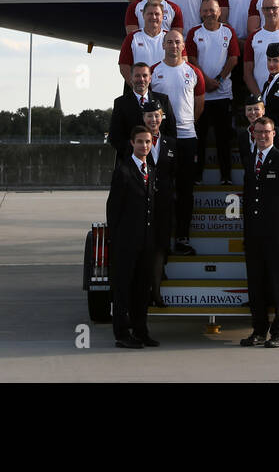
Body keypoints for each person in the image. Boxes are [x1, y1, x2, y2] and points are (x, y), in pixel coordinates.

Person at [240, 116, 279, 348]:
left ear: (274, 134)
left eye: (267, 132)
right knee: (255, 283)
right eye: (258, 132)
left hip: (276, 232)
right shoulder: (250, 159)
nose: (262, 136)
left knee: (278, 282)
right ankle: (258, 330)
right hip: (254, 232)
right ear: (253, 134)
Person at [150, 29, 206, 256]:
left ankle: (182, 237)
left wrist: (186, 124)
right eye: (169, 42)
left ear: (184, 47)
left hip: (187, 138)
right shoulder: (154, 72)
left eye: (177, 42)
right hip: (162, 140)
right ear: (163, 45)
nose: (173, 46)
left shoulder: (193, 72)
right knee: (161, 190)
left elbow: (199, 105)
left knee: (185, 191)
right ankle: (160, 239)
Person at [107, 125, 160, 348]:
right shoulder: (123, 170)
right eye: (140, 141)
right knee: (123, 289)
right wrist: (117, 239)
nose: (144, 145)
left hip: (146, 242)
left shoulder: (151, 169)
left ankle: (141, 330)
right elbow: (113, 208)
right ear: (132, 143)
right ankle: (122, 333)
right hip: (126, 242)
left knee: (142, 289)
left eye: (147, 142)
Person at [187, 0, 240, 185]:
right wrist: (206, 81)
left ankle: (226, 177)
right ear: (201, 13)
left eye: (212, 10)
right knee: (199, 137)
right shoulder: (194, 33)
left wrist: (218, 80)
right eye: (205, 11)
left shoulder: (228, 32)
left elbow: (233, 59)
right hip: (201, 95)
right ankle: (198, 176)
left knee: (223, 138)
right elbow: (191, 59)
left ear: (219, 12)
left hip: (223, 94)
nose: (209, 14)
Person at [141, 100, 177, 306]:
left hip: (162, 204)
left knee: (159, 248)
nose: (153, 120)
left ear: (162, 117)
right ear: (143, 119)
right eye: (149, 116)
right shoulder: (137, 141)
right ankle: (145, 292)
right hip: (141, 204)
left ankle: (155, 292)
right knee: (145, 248)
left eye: (157, 115)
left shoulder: (170, 143)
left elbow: (174, 173)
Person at [108, 62, 177, 158]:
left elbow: (171, 131)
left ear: (150, 78)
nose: (141, 79)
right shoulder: (120, 103)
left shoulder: (163, 100)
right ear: (131, 79)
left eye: (145, 76)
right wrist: (138, 152)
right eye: (137, 76)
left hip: (160, 161)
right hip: (132, 162)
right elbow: (115, 137)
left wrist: (162, 153)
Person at [117, 4, 168, 82]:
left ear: (162, 16)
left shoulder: (172, 37)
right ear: (143, 15)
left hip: (166, 90)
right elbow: (124, 66)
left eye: (157, 14)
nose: (153, 17)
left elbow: (182, 63)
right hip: (141, 90)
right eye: (150, 14)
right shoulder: (132, 38)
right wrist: (137, 87)